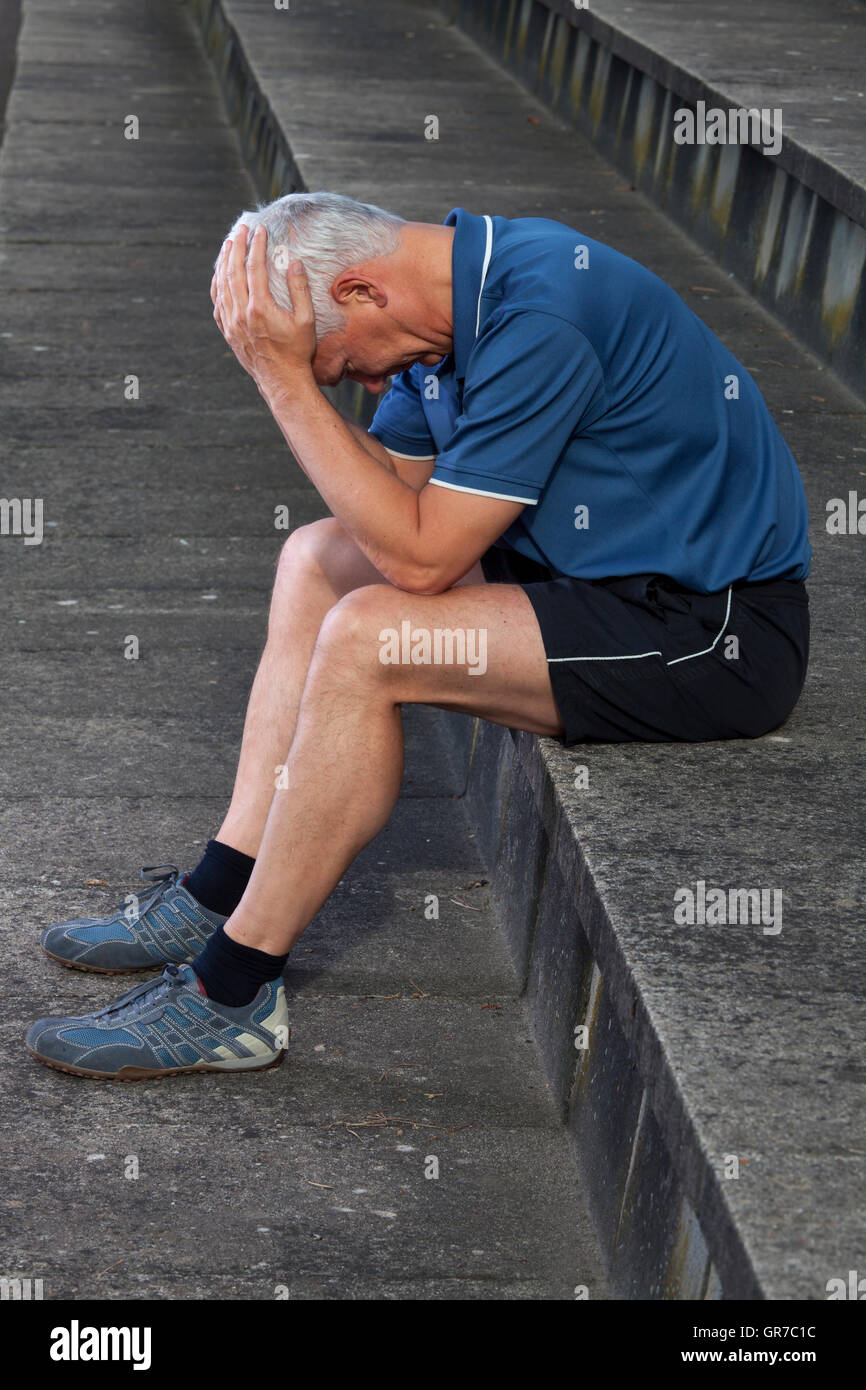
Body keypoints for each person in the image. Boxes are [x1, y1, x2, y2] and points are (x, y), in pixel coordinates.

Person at [26, 192, 810, 1079]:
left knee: (370, 637)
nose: (353, 386)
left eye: (334, 363)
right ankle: (224, 884)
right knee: (317, 559)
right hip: (584, 577)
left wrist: (280, 380)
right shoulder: (439, 310)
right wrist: (292, 372)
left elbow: (424, 560)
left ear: (362, 291)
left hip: (710, 630)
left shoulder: (544, 310)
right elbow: (387, 502)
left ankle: (232, 996)